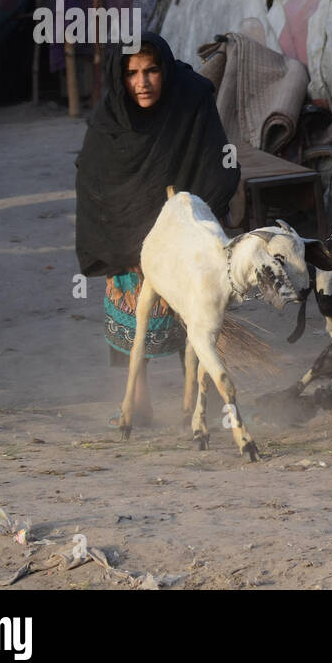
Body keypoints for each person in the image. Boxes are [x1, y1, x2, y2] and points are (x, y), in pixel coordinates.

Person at [74, 34, 238, 426]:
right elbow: (92, 177)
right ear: (119, 77)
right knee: (132, 305)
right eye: (131, 73)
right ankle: (138, 402)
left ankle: (201, 402)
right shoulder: (109, 118)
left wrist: (191, 224)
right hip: (130, 231)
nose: (142, 82)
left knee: (196, 316)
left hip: (185, 228)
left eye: (151, 70)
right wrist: (126, 231)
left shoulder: (192, 101)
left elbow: (219, 164)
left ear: (165, 69)